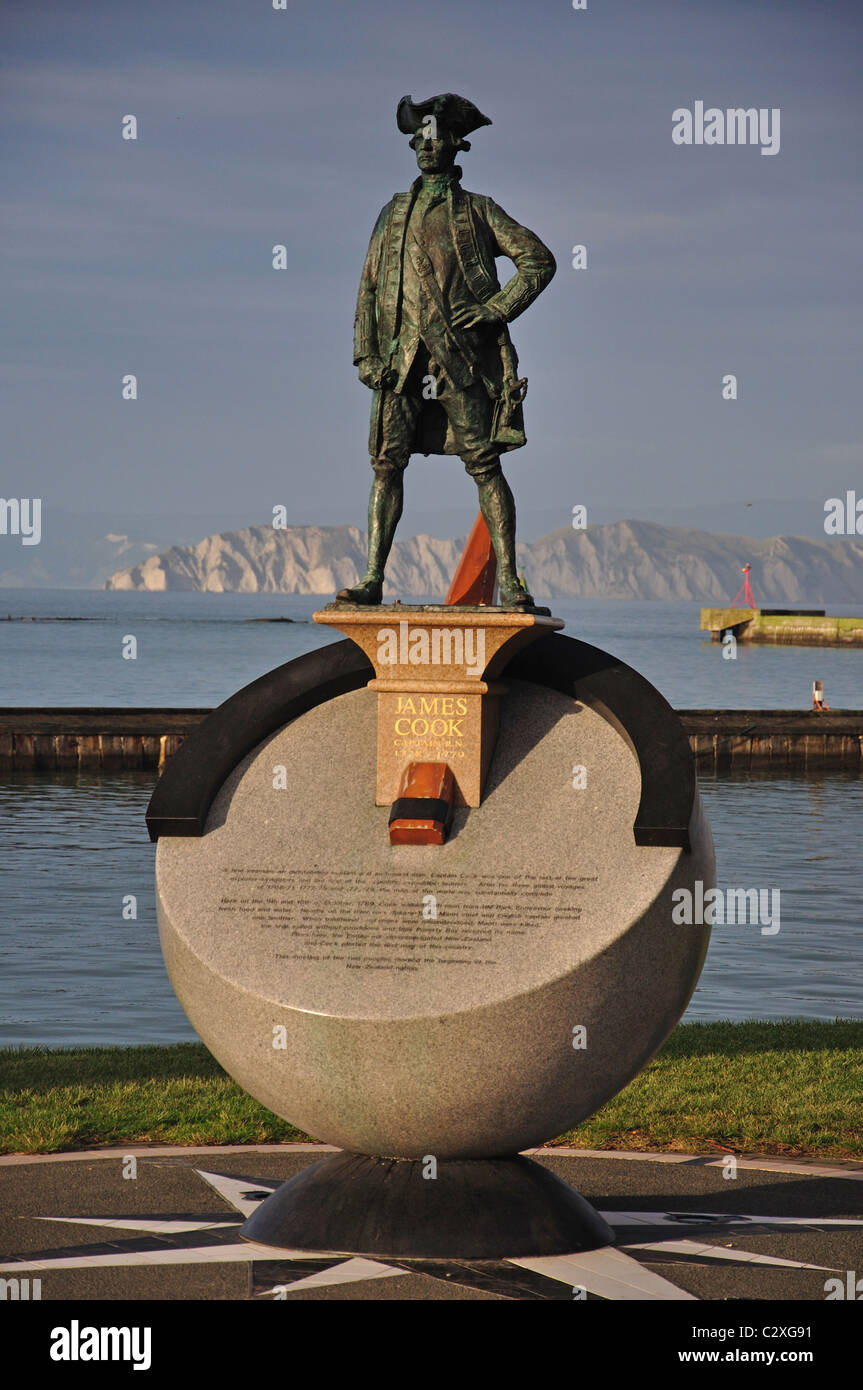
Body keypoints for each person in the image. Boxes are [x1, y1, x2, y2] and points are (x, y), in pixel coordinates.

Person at [338, 92, 556, 607]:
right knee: (386, 465)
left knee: (485, 466)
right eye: (421, 139)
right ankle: (372, 578)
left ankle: (510, 582)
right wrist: (366, 355)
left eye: (437, 139)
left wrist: (497, 309)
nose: (427, 147)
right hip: (400, 362)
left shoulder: (480, 212)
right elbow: (368, 287)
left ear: (457, 146)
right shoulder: (391, 214)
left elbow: (538, 262)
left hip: (460, 359)